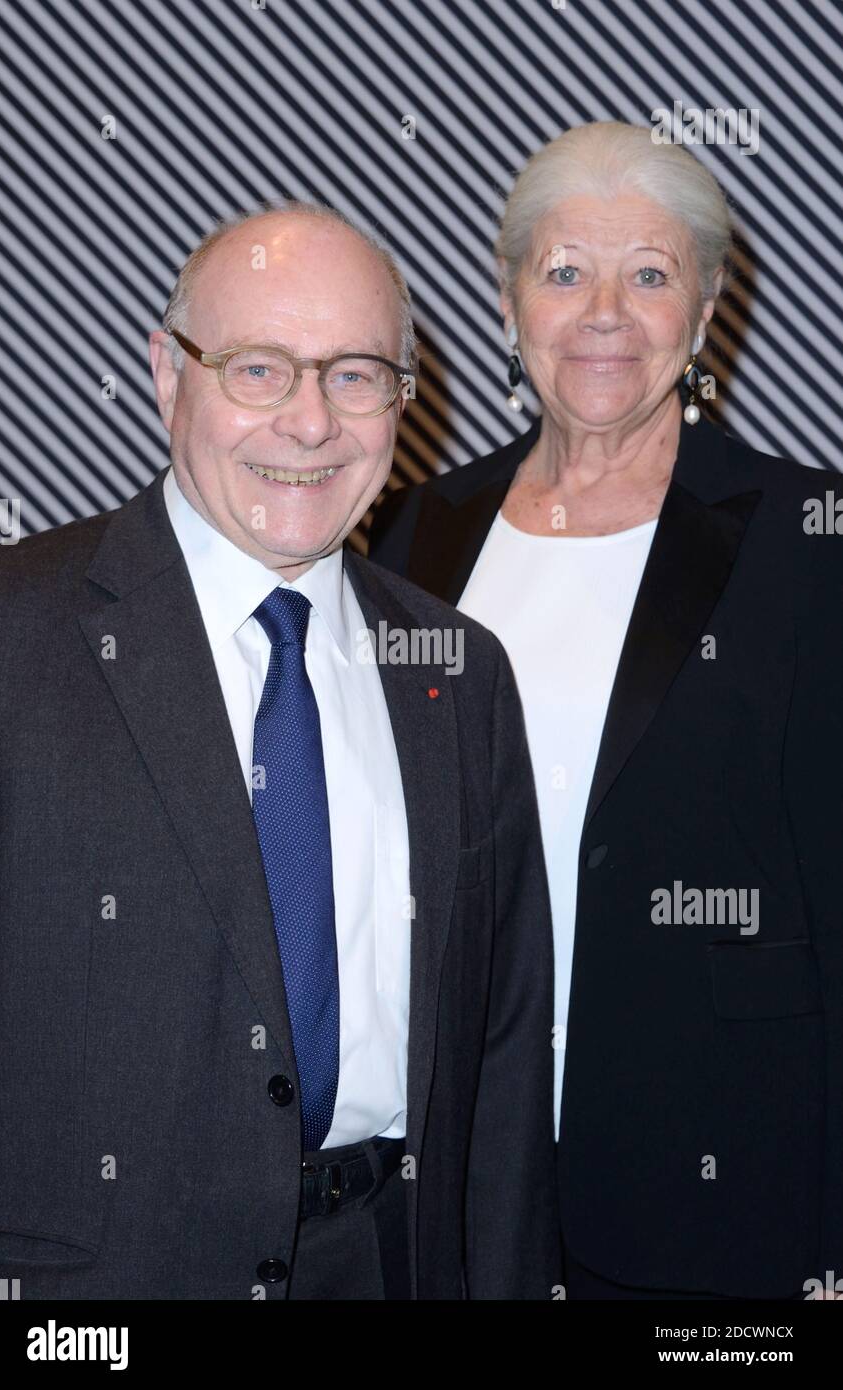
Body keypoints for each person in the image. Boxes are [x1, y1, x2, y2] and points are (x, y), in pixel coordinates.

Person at [0, 202, 557, 1300]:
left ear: (402, 397)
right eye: (258, 369)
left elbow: (503, 1055)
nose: (309, 424)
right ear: (165, 372)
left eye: (353, 374)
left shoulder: (456, 674)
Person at [369, 121, 843, 1300]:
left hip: (722, 1165)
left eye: (649, 272)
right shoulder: (416, 530)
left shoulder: (803, 534)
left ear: (703, 309)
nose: (602, 313)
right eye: (564, 270)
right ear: (508, 301)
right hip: (456, 1152)